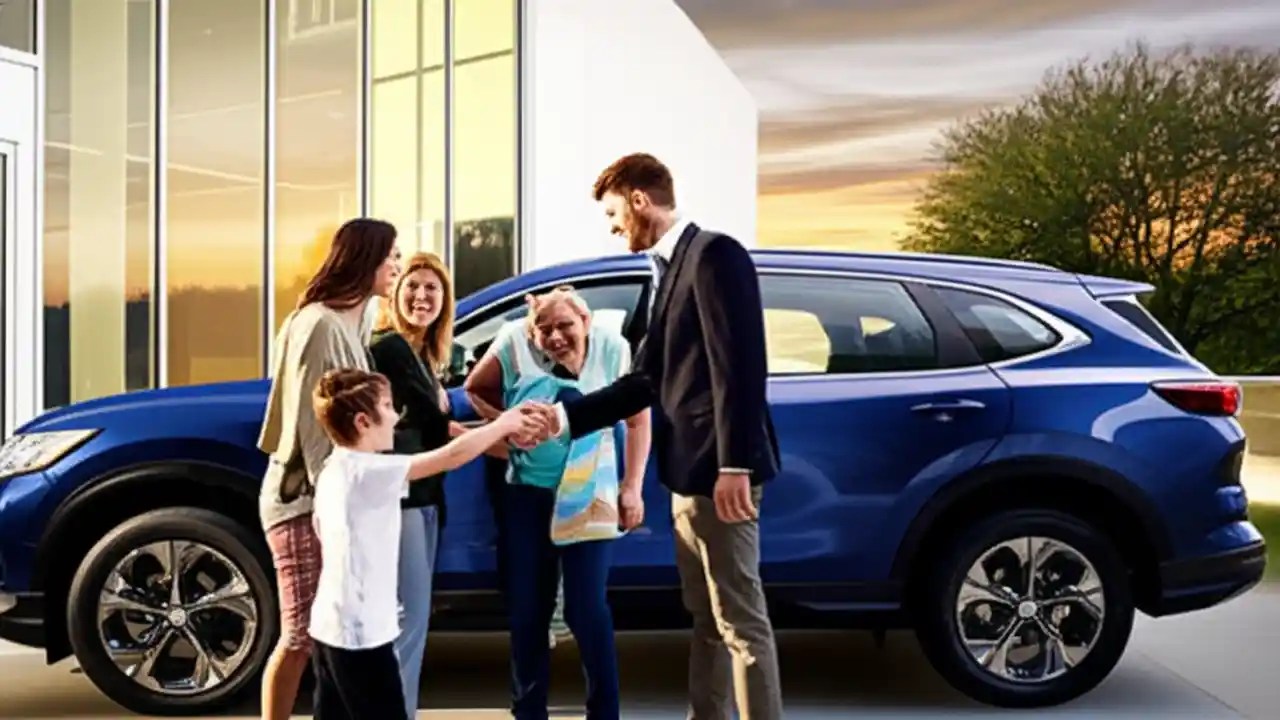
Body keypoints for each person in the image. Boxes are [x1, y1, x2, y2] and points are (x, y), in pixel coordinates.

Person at [524, 153, 784, 719]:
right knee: (708, 617)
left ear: (640, 200)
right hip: (689, 475)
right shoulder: (667, 272)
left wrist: (734, 465)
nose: (614, 227)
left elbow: (738, 367)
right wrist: (565, 418)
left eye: (615, 213)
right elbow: (646, 379)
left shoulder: (715, 255)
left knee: (739, 620)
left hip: (721, 475)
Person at [307, 368, 542, 720]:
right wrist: (503, 424)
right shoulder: (368, 473)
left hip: (329, 628)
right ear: (362, 422)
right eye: (386, 406)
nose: (394, 414)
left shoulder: (335, 468)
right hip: (361, 636)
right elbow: (449, 457)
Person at [465, 286, 651, 720]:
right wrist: (506, 426)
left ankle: (604, 713)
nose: (553, 337)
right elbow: (477, 388)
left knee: (587, 608)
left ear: (586, 323)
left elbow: (638, 419)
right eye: (543, 329)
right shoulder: (512, 340)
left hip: (591, 492)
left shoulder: (612, 348)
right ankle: (527, 712)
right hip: (528, 492)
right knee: (529, 607)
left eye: (564, 325)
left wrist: (632, 486)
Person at [256, 218, 401, 720]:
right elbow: (315, 428)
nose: (398, 267)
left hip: (327, 500)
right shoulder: (318, 324)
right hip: (305, 501)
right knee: (300, 635)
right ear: (365, 260)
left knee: (325, 638)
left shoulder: (353, 321)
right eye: (391, 257)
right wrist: (336, 507)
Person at [368, 251, 460, 718]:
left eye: (432, 288)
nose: (422, 296)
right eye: (412, 285)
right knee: (409, 618)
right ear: (395, 292)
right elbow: (433, 419)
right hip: (402, 499)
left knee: (410, 616)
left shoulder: (424, 355)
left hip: (422, 497)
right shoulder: (390, 347)